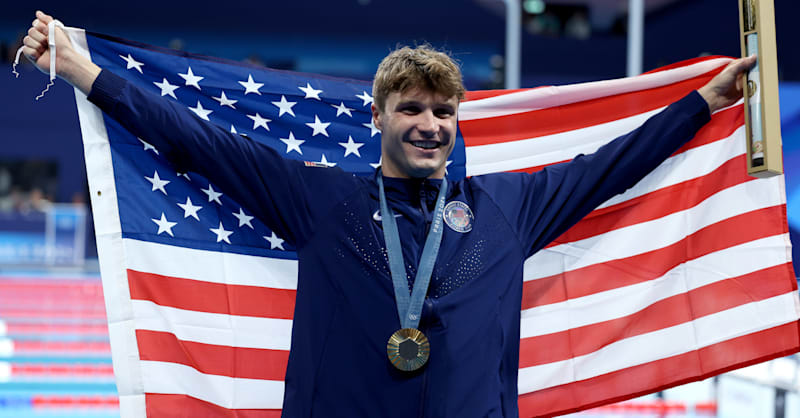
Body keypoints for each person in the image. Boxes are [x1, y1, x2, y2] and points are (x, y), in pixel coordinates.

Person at [22, 10, 756, 418]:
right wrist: (85, 73)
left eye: (443, 111)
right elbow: (200, 143)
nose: (430, 123)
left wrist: (702, 105)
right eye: (412, 108)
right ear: (378, 117)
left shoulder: (510, 206)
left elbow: (610, 169)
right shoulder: (321, 200)